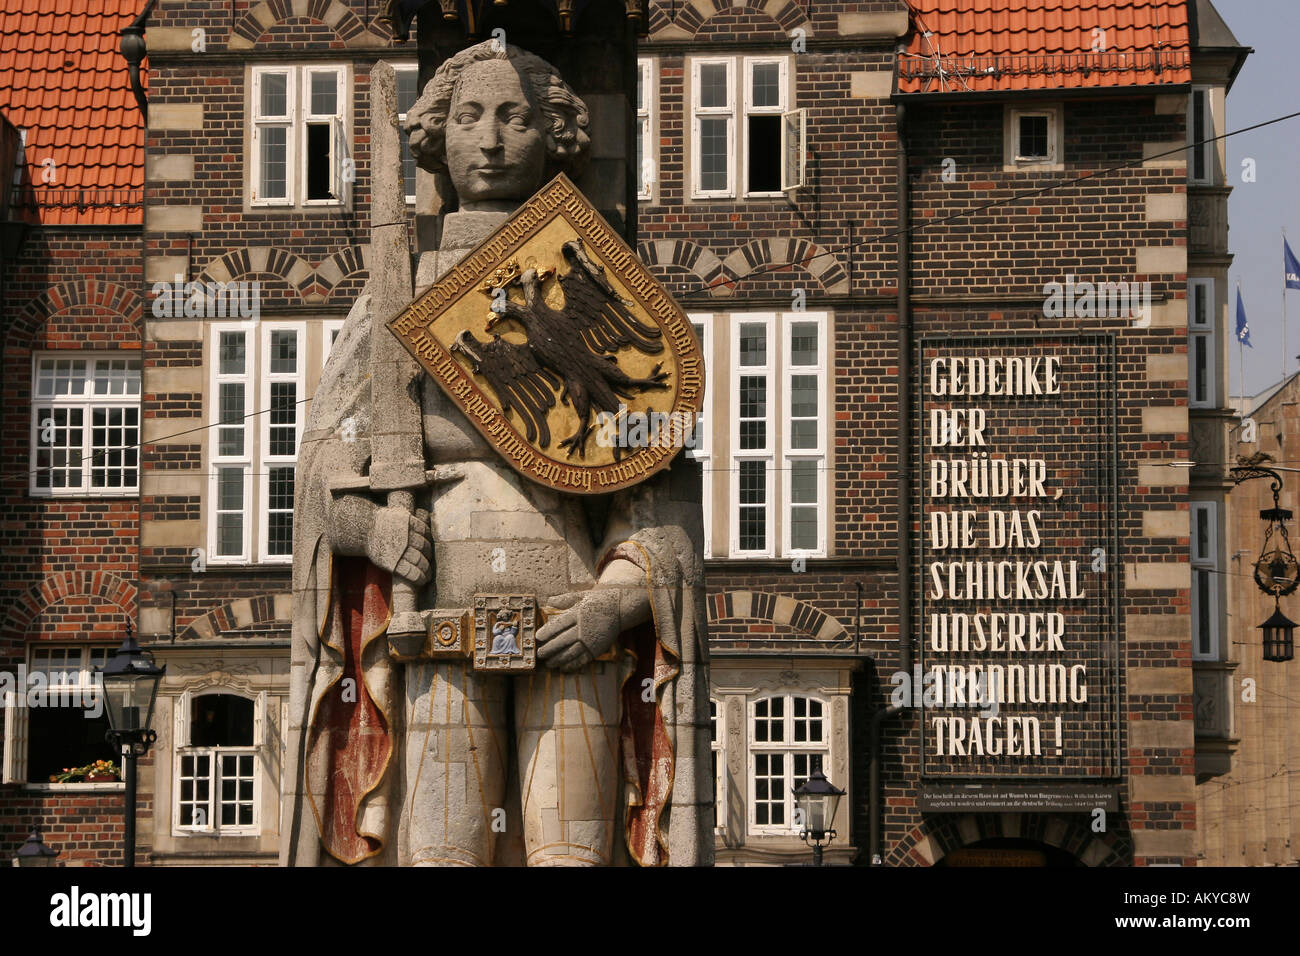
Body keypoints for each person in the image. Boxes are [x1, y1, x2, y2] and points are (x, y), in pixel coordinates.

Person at [282, 40, 711, 867]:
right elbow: (320, 479)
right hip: (438, 624)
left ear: (553, 136)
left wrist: (615, 604)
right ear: (436, 137)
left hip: (573, 623)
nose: (489, 140)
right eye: (469, 117)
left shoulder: (595, 281)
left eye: (514, 117)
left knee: (570, 856)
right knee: (443, 851)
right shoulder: (401, 291)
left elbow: (656, 492)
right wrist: (372, 535)